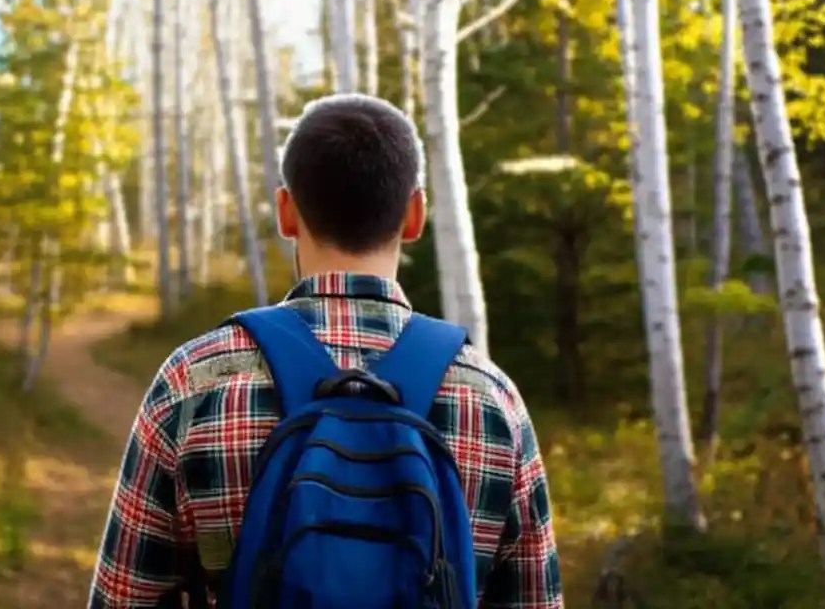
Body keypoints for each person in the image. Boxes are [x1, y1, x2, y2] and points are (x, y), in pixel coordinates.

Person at [88, 94, 562, 608]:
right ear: (415, 215)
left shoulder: (194, 382)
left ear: (286, 212)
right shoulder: (491, 400)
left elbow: (123, 597)